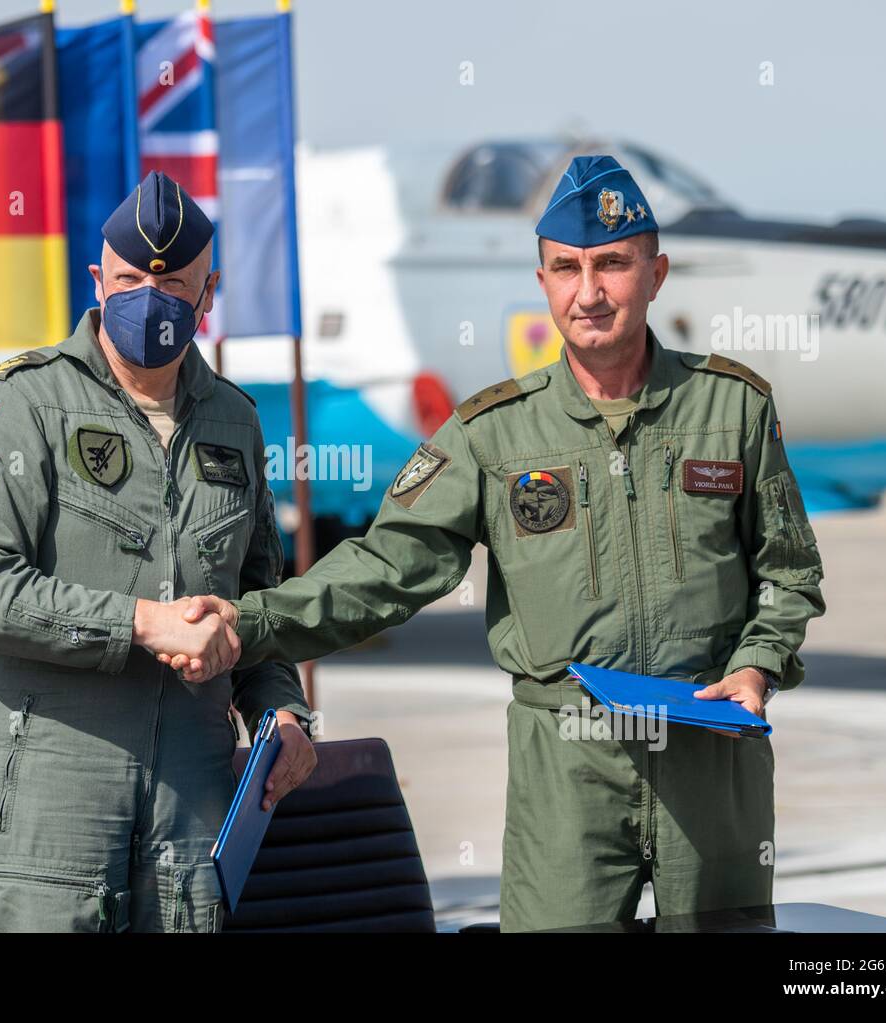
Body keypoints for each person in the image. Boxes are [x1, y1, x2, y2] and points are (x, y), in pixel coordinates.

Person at [167, 156, 826, 931]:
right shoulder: (495, 431)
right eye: (567, 269)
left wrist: (758, 663)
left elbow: (789, 571)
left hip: (714, 763)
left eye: (613, 264)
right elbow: (384, 571)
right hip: (569, 764)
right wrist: (250, 623)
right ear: (542, 280)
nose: (590, 292)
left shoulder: (732, 408)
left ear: (657, 272)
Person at [0, 170, 316, 933]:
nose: (151, 298)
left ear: (209, 296)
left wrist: (284, 712)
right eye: (132, 278)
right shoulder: (19, 403)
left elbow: (257, 598)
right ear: (98, 280)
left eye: (173, 283)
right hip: (48, 799)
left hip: (192, 808)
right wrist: (141, 622)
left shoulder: (235, 422)